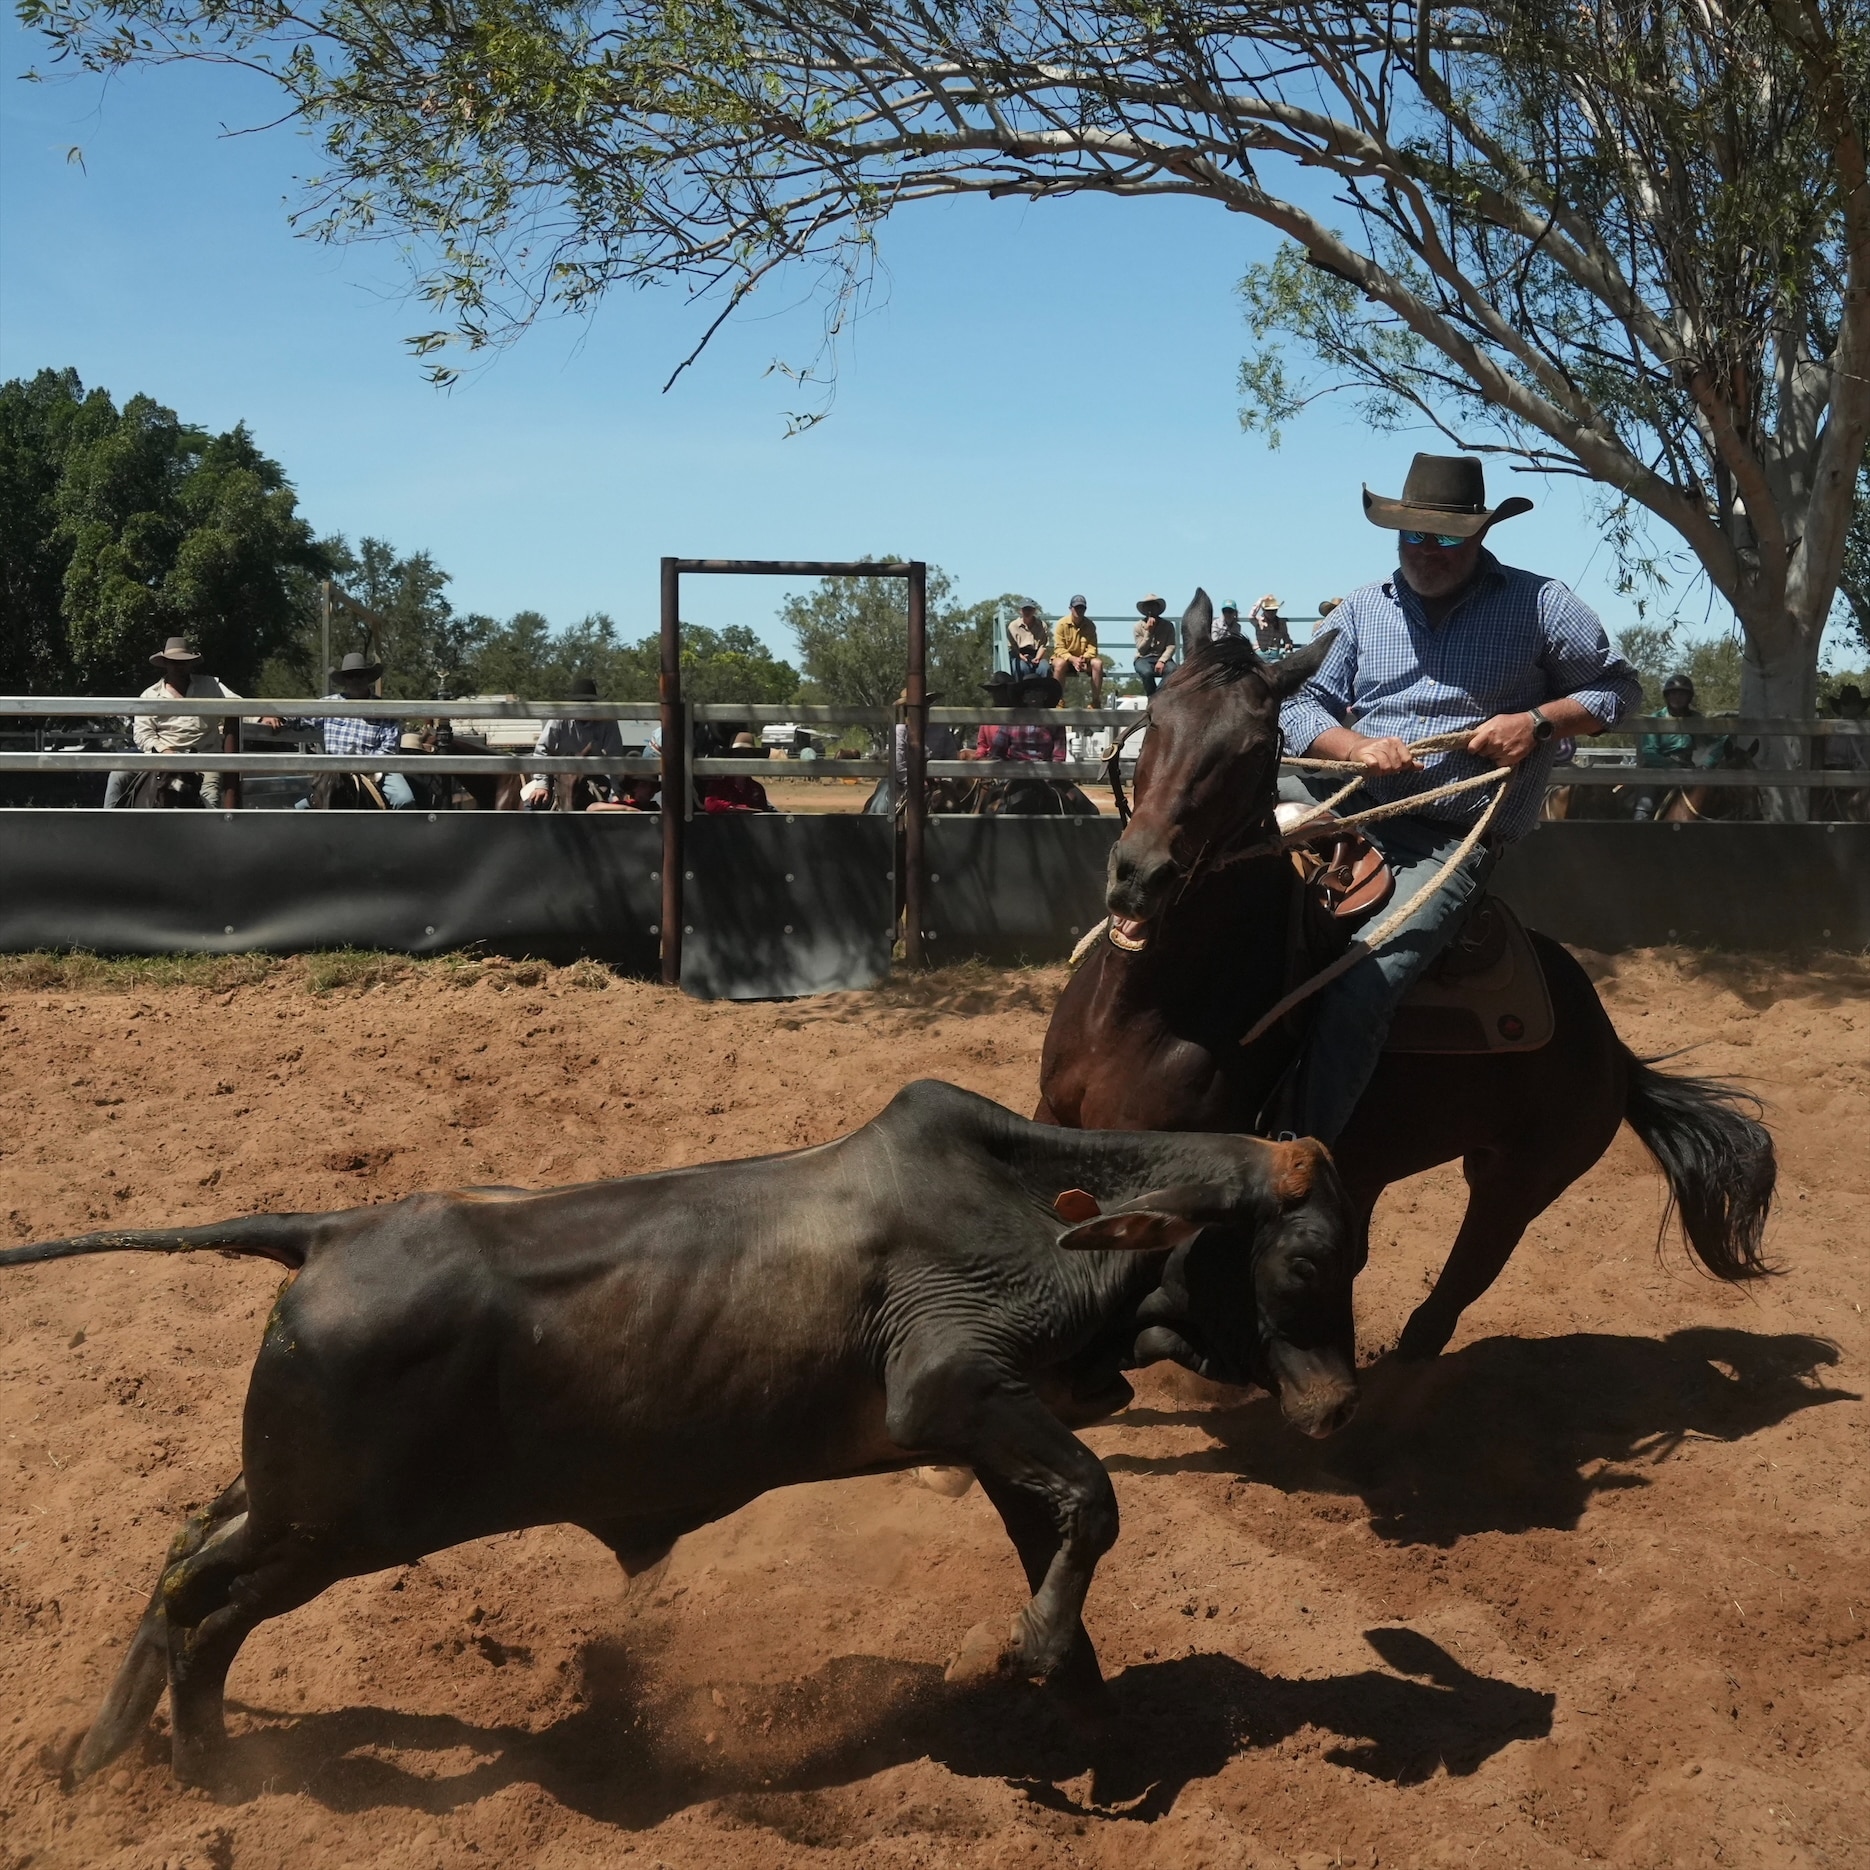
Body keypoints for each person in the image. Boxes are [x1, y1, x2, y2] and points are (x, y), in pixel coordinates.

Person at [1278, 451, 1641, 1145]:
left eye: (1445, 538)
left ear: (1480, 536)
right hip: (1351, 807)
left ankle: (1299, 1161)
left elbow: (1617, 692)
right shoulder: (1360, 610)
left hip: (1453, 838)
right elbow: (1301, 703)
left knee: (1368, 978)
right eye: (1412, 535)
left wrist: (1537, 724)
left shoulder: (1542, 604)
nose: (1426, 551)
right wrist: (1354, 749)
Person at [109, 637, 244, 809]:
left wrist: (262, 717)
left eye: (183, 662)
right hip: (161, 759)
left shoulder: (211, 686)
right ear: (165, 663)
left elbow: (237, 704)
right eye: (173, 662)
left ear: (191, 664)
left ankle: (210, 833)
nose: (178, 666)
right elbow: (143, 734)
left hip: (203, 759)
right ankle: (109, 823)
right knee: (118, 776)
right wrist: (165, 751)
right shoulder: (150, 695)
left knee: (209, 797)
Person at [274, 651, 417, 810]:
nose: (355, 680)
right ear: (344, 680)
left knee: (404, 800)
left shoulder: (384, 710)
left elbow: (389, 748)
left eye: (360, 675)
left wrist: (365, 766)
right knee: (300, 807)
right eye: (350, 676)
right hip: (335, 769)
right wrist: (277, 718)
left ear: (368, 678)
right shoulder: (329, 705)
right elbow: (301, 718)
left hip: (376, 768)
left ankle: (403, 834)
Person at [1631, 673, 1732, 821]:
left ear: (1689, 697)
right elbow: (1649, 752)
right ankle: (1638, 834)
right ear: (1667, 696)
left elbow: (1721, 739)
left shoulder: (1696, 720)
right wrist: (1670, 764)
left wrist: (1708, 763)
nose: (1677, 698)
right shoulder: (1655, 719)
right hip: (1657, 769)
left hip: (1688, 768)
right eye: (1673, 694)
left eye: (1682, 694)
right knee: (1644, 806)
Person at [520, 677, 629, 810]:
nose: (584, 707)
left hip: (592, 775)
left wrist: (615, 792)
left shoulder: (607, 722)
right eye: (580, 703)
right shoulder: (559, 719)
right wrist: (542, 783)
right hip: (558, 774)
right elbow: (542, 749)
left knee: (609, 809)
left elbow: (614, 757)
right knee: (533, 803)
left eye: (588, 703)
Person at [1052, 596, 1105, 705]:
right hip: (1065, 659)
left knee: (1098, 664)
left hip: (1083, 660)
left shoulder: (1090, 625)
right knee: (1059, 664)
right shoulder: (1061, 624)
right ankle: (1058, 700)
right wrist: (1072, 659)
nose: (1079, 611)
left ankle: (1095, 701)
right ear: (1070, 608)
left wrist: (1083, 658)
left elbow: (1092, 648)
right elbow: (1059, 648)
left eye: (1082, 608)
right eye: (1076, 608)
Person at [1133, 596, 1177, 695]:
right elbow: (1141, 650)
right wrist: (1149, 632)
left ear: (1158, 608)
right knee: (1146, 672)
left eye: (1153, 606)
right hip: (1143, 658)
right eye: (1148, 606)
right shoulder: (1138, 626)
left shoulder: (1168, 625)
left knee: (1173, 670)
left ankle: (1160, 695)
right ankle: (1152, 696)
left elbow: (1171, 646)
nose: (1151, 609)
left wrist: (1162, 660)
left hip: (1163, 657)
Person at [1006, 602, 1052, 680]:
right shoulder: (1013, 626)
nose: (1027, 612)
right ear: (1020, 611)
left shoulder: (1042, 625)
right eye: (1025, 609)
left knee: (1045, 668)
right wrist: (1022, 657)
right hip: (1018, 655)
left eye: (1030, 609)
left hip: (1036, 654)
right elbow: (1012, 646)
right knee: (1021, 668)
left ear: (1034, 611)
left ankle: (1043, 691)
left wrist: (1037, 658)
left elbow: (1043, 645)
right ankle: (1020, 691)